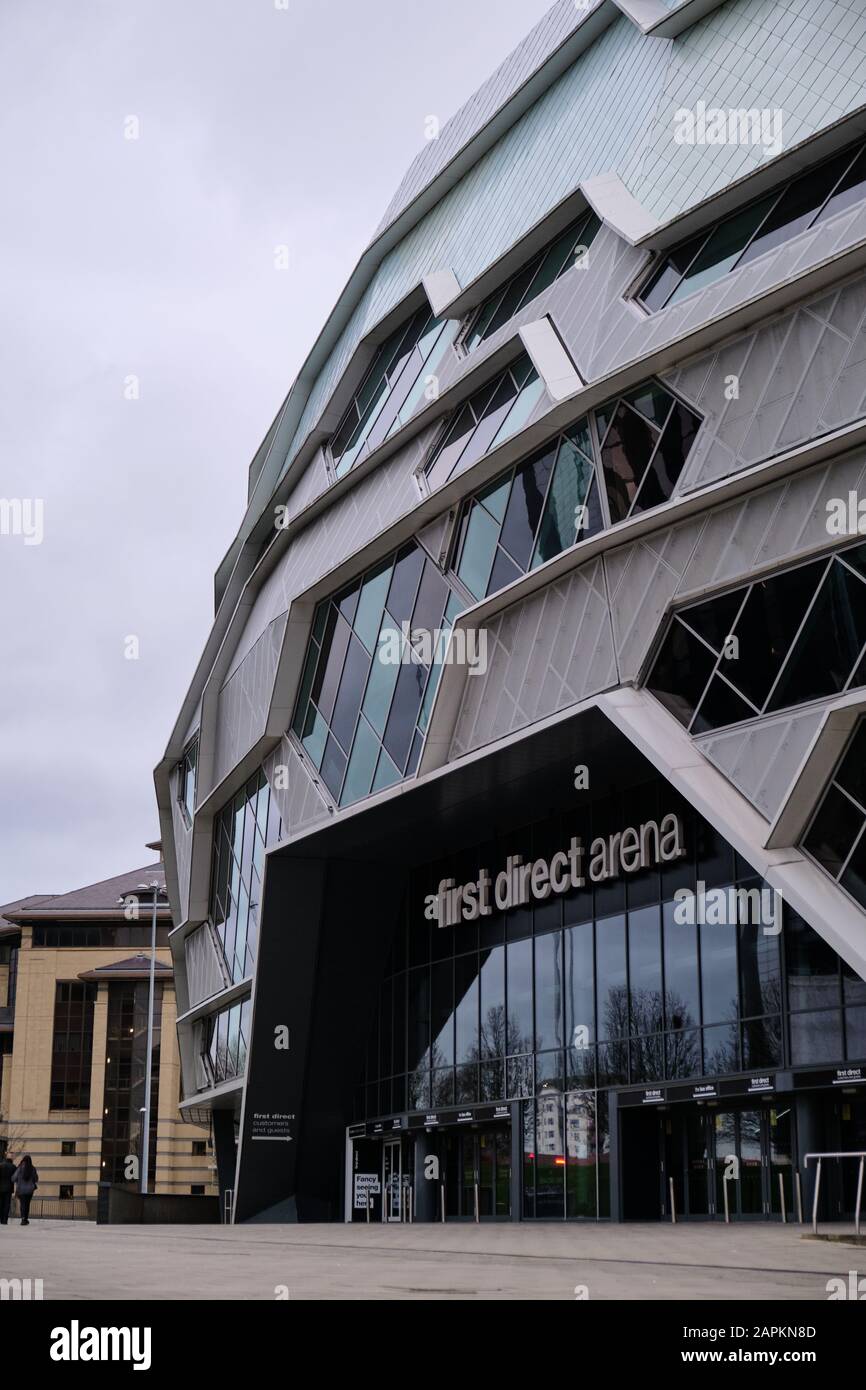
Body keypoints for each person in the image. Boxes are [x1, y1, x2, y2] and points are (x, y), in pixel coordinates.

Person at [13, 1154, 38, 1225]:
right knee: (27, 1204)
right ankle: (26, 1218)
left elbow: (14, 1178)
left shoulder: (20, 1168)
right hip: (30, 1190)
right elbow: (36, 1179)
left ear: (23, 1160)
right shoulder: (33, 1168)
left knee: (22, 1204)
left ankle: (23, 1218)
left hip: (21, 1189)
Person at [0, 1150, 15, 1225]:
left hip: (0, 1188)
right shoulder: (13, 1167)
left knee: (1, 1203)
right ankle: (4, 1220)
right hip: (9, 1188)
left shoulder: (1, 1165)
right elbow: (14, 1178)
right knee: (6, 1204)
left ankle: (0, 1218)